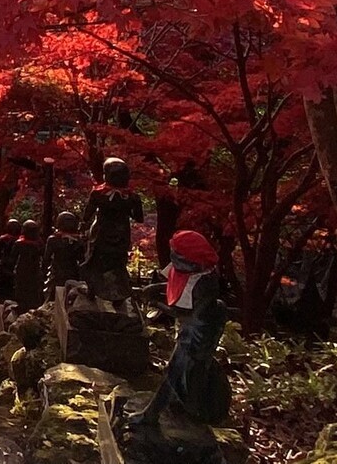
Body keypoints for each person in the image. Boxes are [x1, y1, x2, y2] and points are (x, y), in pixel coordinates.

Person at [130, 230, 229, 428]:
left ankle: (152, 415)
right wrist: (155, 289)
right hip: (189, 330)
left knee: (176, 372)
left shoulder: (206, 283)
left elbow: (186, 314)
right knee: (186, 375)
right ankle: (186, 408)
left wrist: (156, 304)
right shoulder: (192, 273)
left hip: (197, 336)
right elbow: (177, 286)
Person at [81, 157, 145, 301]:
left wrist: (82, 226)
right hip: (122, 234)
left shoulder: (98, 194)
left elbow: (87, 215)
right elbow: (139, 218)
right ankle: (119, 294)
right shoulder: (132, 197)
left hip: (101, 232)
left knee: (94, 259)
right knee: (118, 263)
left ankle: (92, 290)